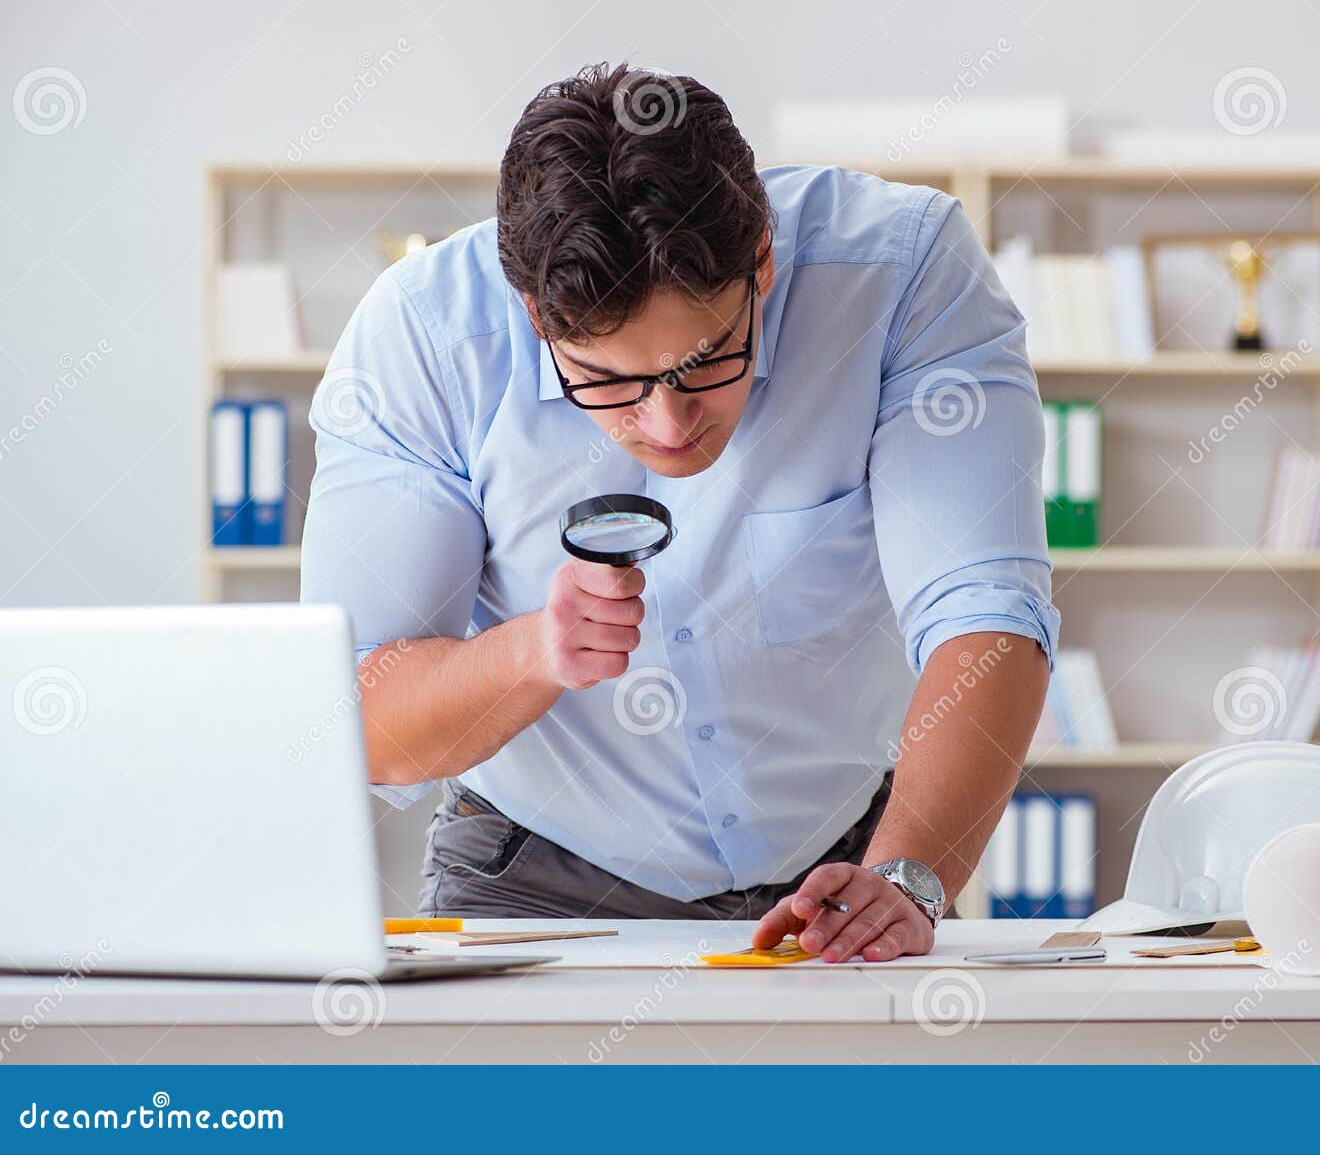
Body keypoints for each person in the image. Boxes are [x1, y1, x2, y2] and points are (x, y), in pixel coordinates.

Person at [301, 63, 1058, 962]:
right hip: (530, 875)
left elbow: (988, 614)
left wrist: (907, 879)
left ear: (763, 266)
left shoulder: (902, 276)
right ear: (538, 316)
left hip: (851, 870)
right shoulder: (423, 337)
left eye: (705, 363)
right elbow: (358, 717)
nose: (666, 423)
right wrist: (536, 651)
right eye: (611, 381)